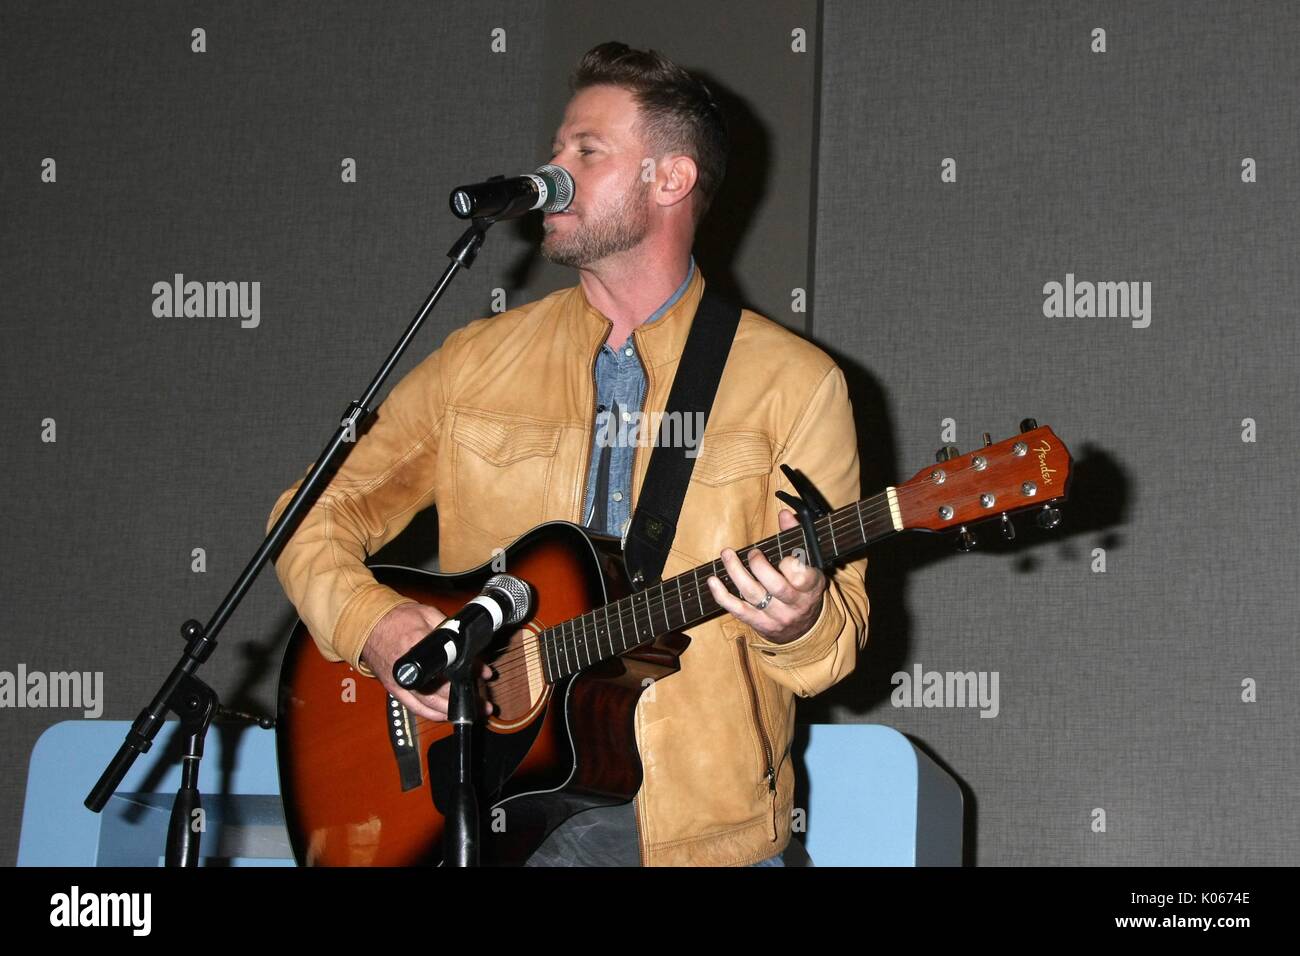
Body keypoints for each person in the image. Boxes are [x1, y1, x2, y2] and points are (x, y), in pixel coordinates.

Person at [267, 41, 869, 867]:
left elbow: (834, 645)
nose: (552, 169)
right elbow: (307, 515)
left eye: (586, 151)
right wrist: (374, 626)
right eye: (555, 149)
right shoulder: (475, 362)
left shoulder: (795, 384)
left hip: (698, 832)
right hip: (488, 805)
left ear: (671, 179)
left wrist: (798, 621)